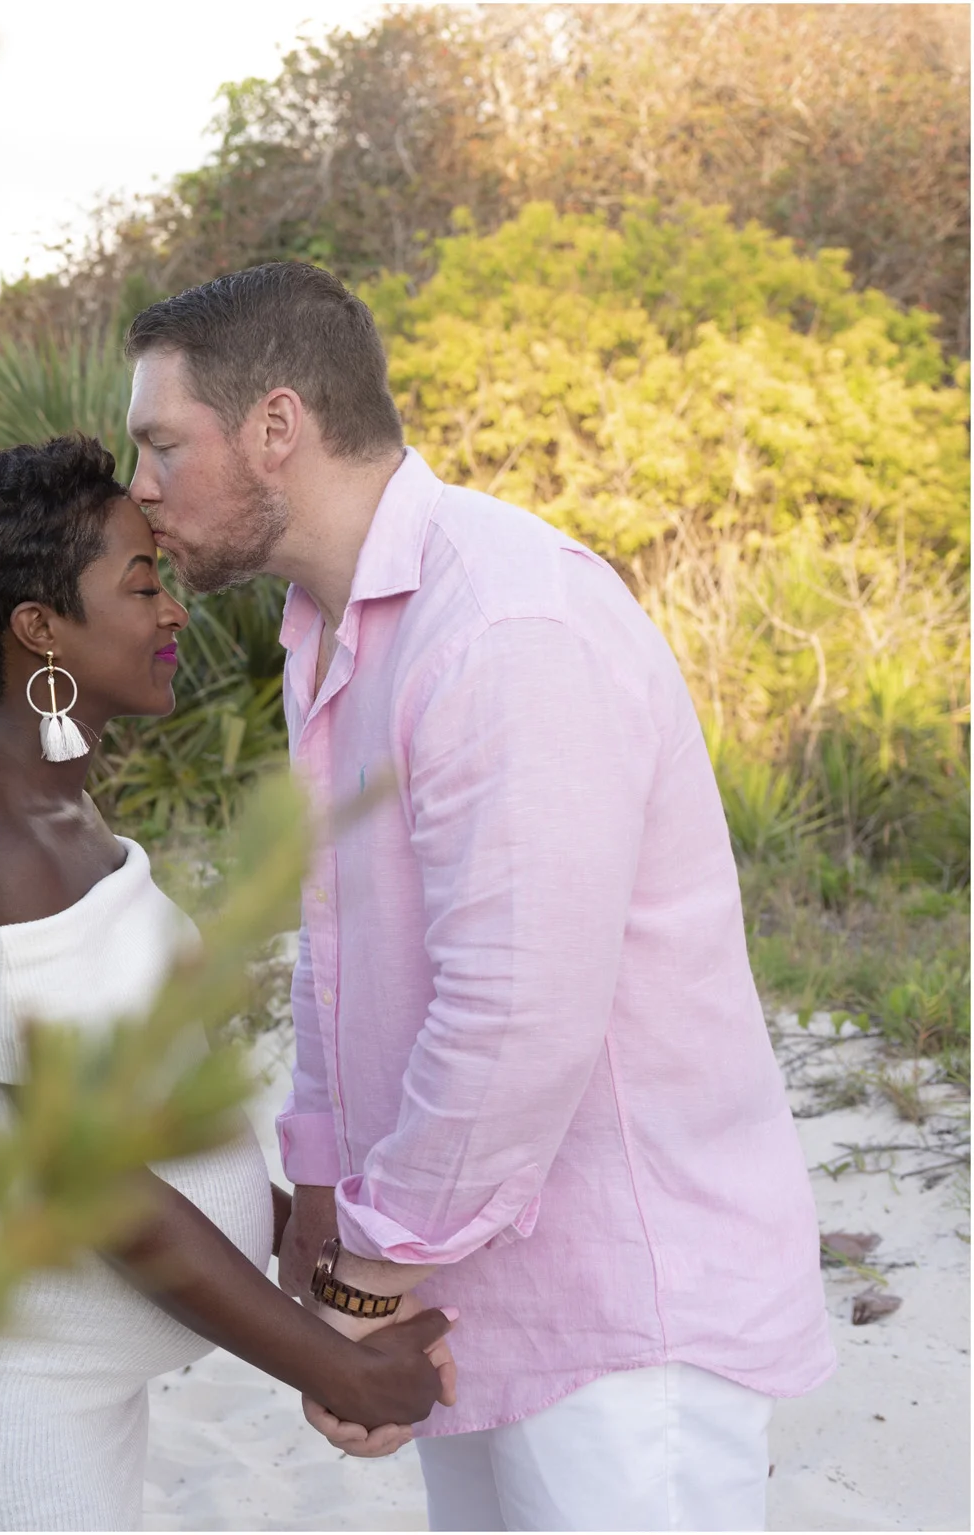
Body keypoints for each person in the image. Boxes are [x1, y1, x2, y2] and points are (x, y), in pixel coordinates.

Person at [122, 262, 836, 1530]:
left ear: (274, 427)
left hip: (615, 1311)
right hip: (462, 1287)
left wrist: (361, 1292)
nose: (140, 487)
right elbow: (340, 952)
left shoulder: (502, 621)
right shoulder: (326, 628)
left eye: (162, 443)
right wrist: (330, 1195)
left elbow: (515, 1012)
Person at [0, 435, 455, 1532]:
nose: (173, 612)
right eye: (141, 582)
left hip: (43, 1383)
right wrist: (335, 1369)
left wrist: (288, 1237)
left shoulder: (48, 810)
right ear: (39, 629)